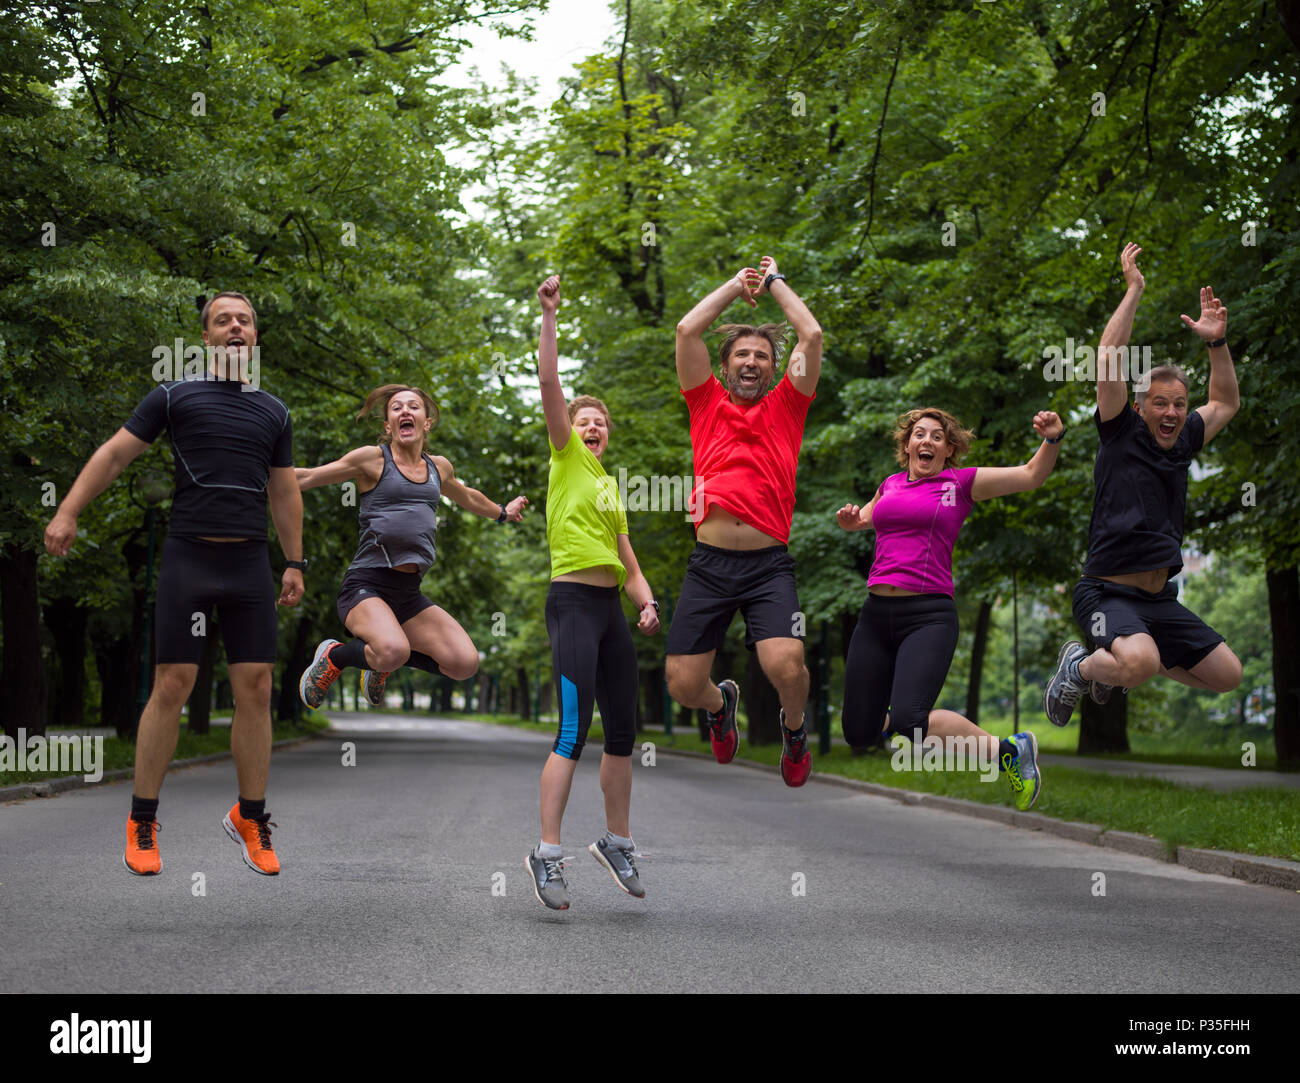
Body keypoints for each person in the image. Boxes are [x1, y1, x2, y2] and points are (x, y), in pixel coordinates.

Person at [44, 291, 303, 877]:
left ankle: (251, 817)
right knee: (173, 684)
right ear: (207, 338)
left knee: (257, 687)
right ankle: (142, 819)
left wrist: (295, 561)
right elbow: (114, 455)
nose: (236, 327)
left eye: (245, 320)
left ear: (255, 337)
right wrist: (68, 511)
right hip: (190, 559)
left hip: (248, 566)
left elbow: (283, 490)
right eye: (223, 321)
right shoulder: (173, 396)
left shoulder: (275, 411)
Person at [1044, 243, 1243, 725]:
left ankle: (1120, 668)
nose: (1172, 412)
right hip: (1105, 595)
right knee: (1141, 662)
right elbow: (1108, 357)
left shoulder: (1183, 440)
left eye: (1178, 403)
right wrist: (1134, 288)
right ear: (1139, 407)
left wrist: (1216, 343)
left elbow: (1225, 403)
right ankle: (1080, 665)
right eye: (1160, 403)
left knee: (1227, 674)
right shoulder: (1119, 432)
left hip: (1158, 601)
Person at [836, 407, 1065, 809]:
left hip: (927, 616)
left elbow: (1031, 476)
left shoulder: (960, 484)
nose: (926, 441)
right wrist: (852, 520)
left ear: (949, 449)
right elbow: (865, 520)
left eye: (937, 437)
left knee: (909, 720)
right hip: (875, 617)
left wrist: (1051, 440)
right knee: (858, 732)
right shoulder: (889, 484)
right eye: (919, 434)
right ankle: (1008, 751)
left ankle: (1007, 751)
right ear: (907, 445)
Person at [525, 275, 660, 911]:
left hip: (609, 609)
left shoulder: (609, 487)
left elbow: (628, 561)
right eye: (584, 421)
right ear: (569, 431)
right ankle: (547, 854)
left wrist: (646, 601)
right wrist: (550, 315)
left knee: (624, 733)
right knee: (573, 730)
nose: (591, 428)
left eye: (600, 423)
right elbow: (550, 382)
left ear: (609, 435)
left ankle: (616, 840)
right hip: (573, 605)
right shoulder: (565, 457)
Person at [666, 256, 822, 786]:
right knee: (683, 686)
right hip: (708, 565)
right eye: (741, 355)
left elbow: (812, 334)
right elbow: (688, 329)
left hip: (767, 567)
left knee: (787, 666)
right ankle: (719, 704)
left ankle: (794, 730)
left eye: (761, 355)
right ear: (725, 365)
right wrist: (737, 285)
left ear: (773, 368)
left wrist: (774, 281)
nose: (751, 361)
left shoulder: (789, 406)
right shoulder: (704, 402)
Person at [295, 385, 527, 709]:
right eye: (396, 408)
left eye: (414, 407)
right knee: (394, 651)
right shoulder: (372, 460)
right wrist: (261, 475)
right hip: (365, 587)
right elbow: (308, 477)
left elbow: (469, 496)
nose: (406, 411)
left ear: (426, 422)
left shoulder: (439, 468)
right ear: (388, 425)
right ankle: (336, 656)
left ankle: (382, 663)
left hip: (408, 593)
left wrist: (502, 512)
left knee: (464, 663)